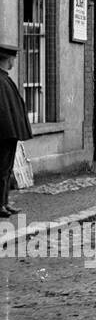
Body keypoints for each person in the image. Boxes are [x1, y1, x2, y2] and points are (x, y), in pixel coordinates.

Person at [0, 43, 33, 218]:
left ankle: (4, 202)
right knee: (2, 169)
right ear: (8, 59)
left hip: (9, 134)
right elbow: (3, 110)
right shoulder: (1, 79)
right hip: (4, 135)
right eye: (12, 58)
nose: (14, 61)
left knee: (6, 169)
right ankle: (0, 205)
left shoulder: (5, 78)